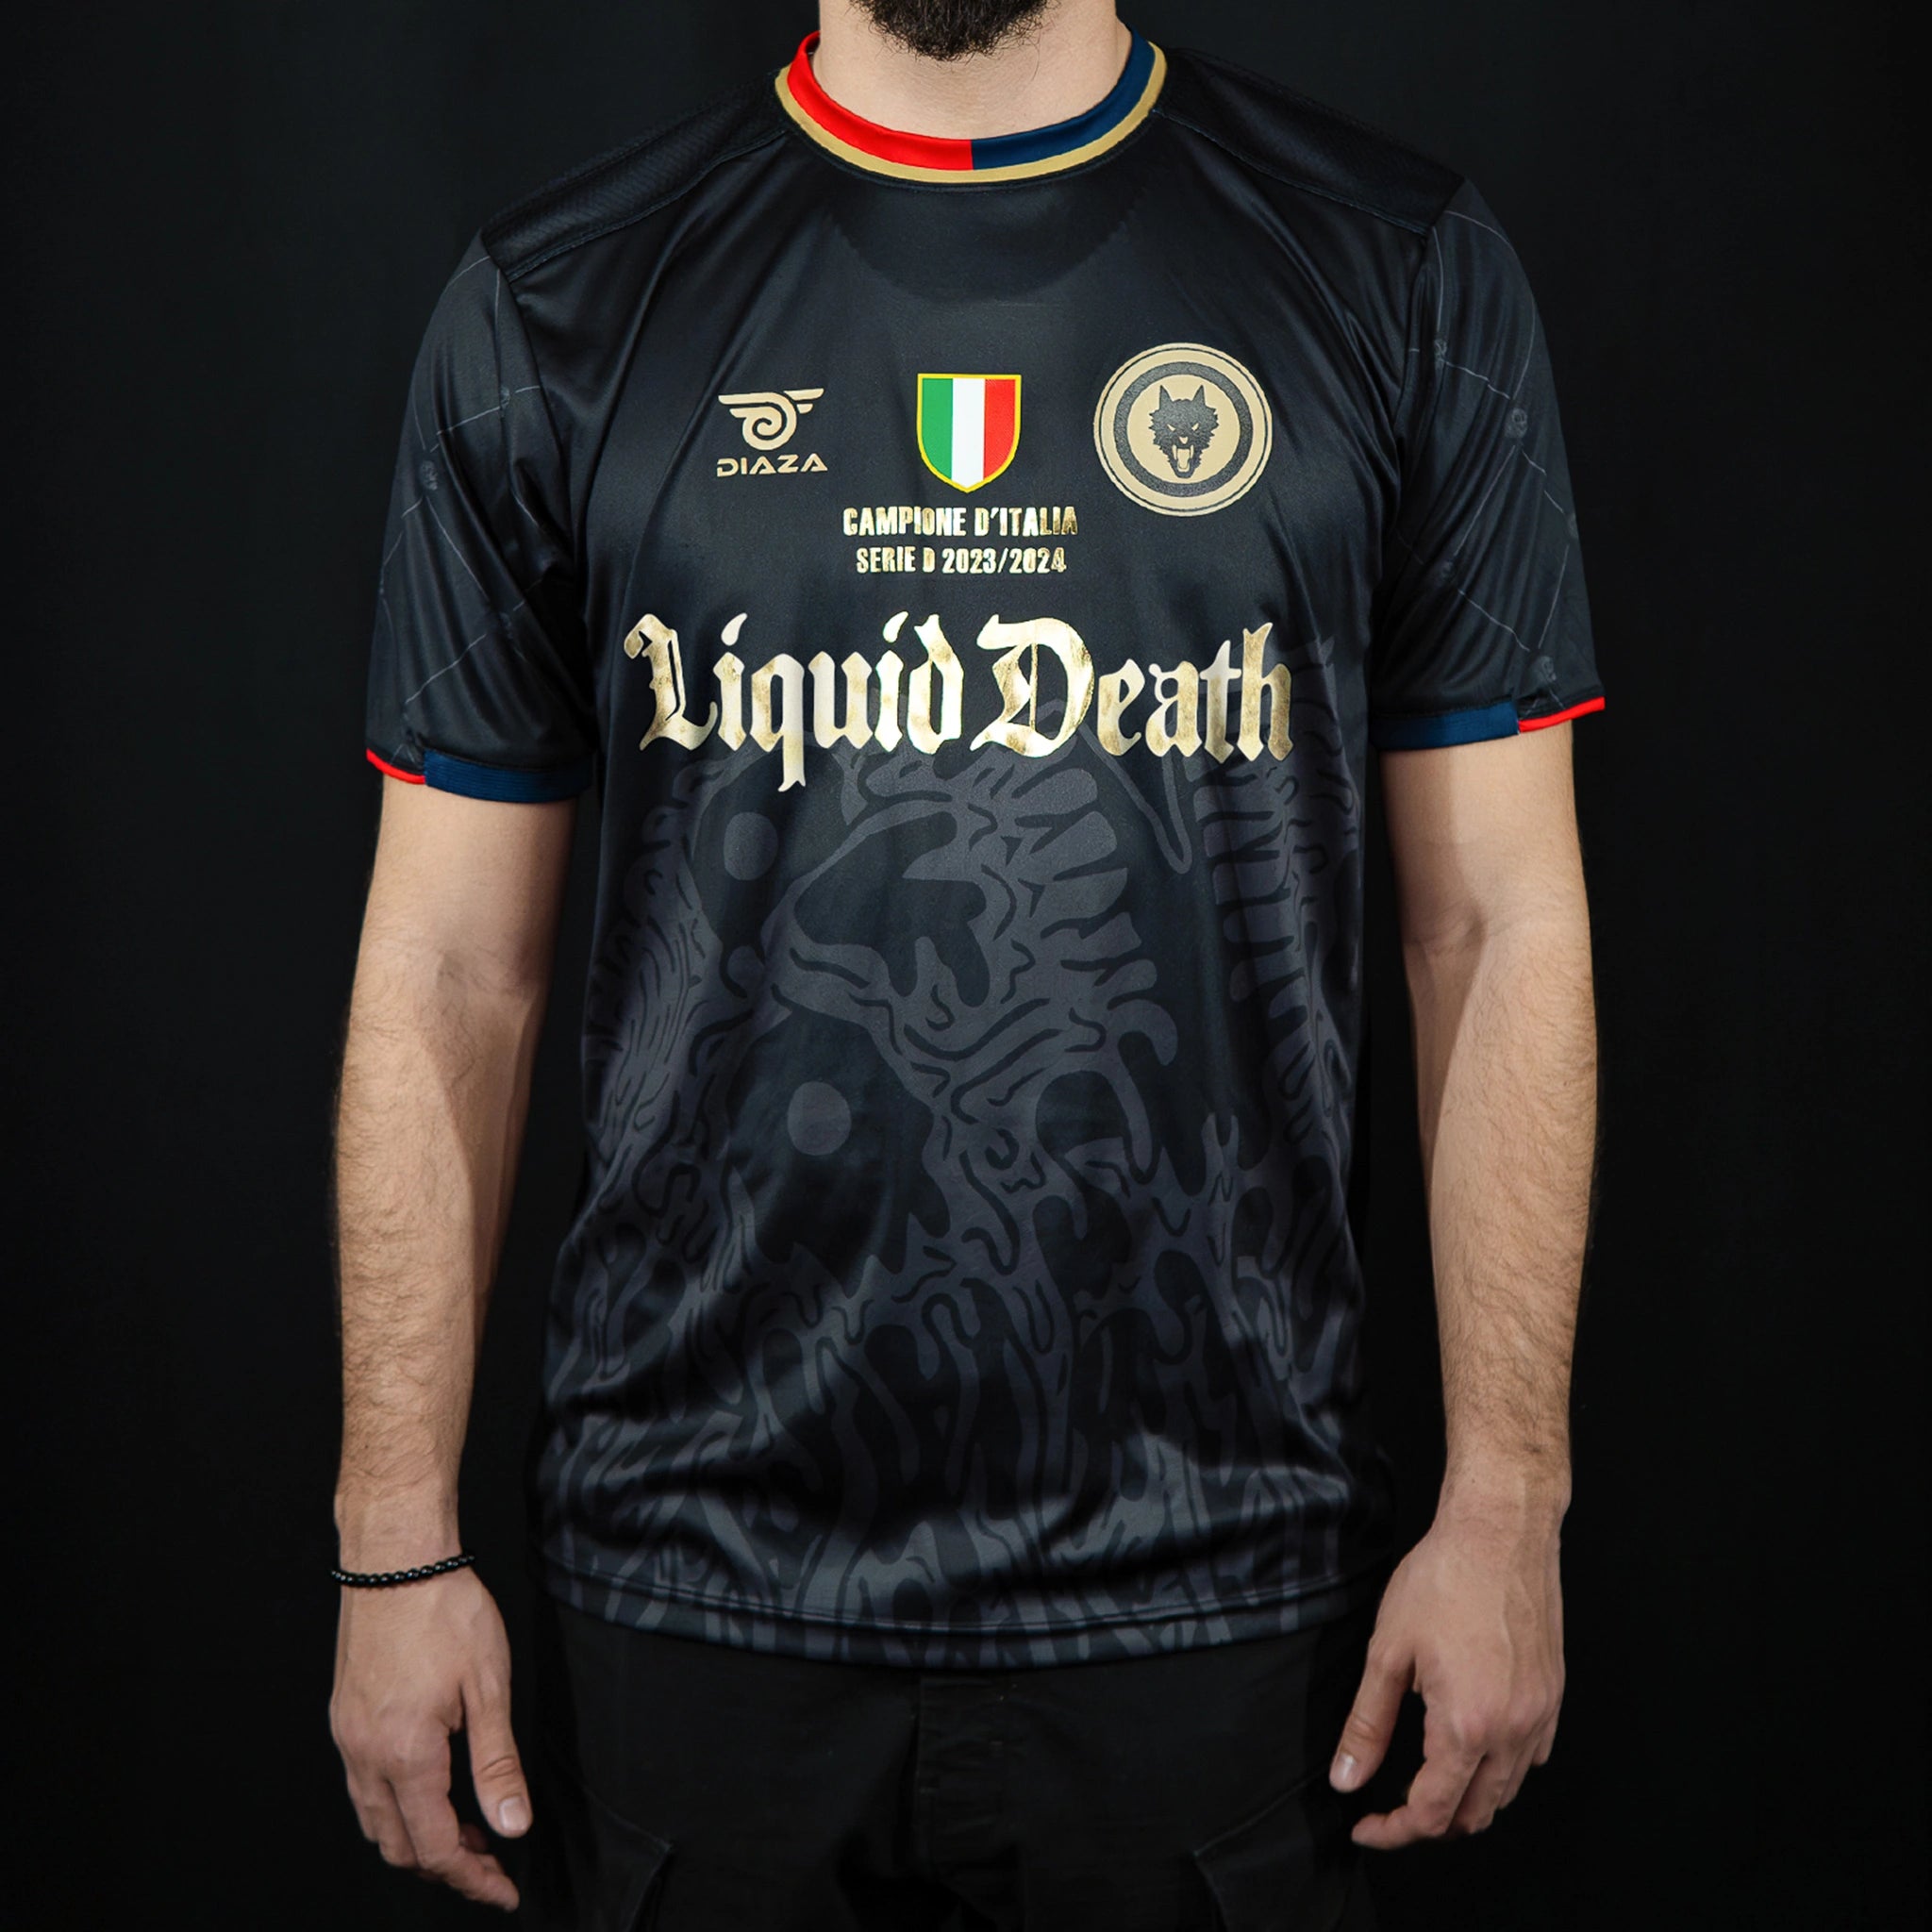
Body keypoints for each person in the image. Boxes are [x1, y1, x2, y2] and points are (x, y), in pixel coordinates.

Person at [328, 0, 1602, 1924]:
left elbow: (1492, 923)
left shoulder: (1397, 268)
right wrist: (390, 1539)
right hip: (693, 1588)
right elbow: (447, 970)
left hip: (1224, 1598)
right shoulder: (557, 302)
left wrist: (1509, 1501)